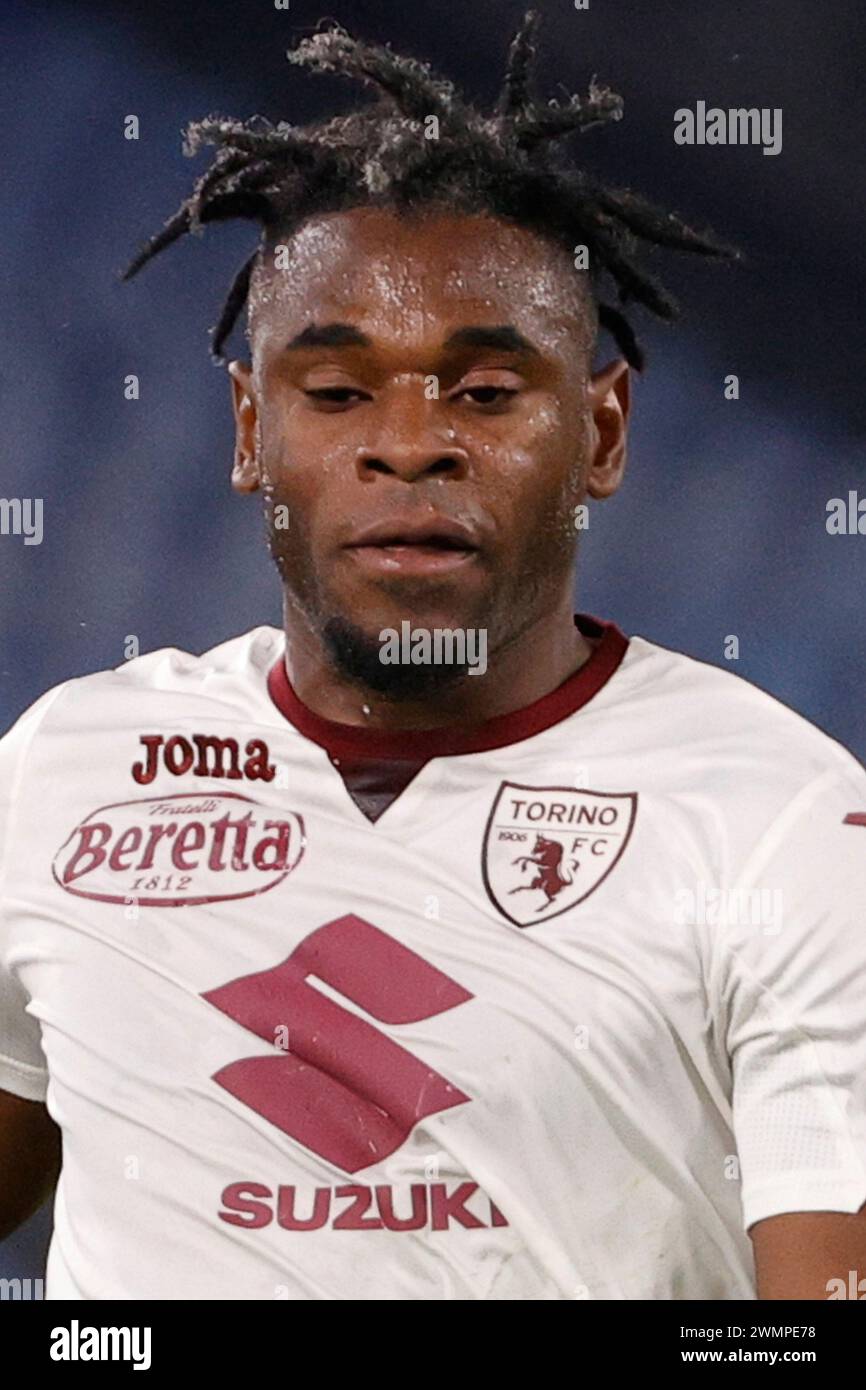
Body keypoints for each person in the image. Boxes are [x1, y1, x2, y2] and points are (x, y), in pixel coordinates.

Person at [1, 12, 864, 1300]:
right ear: (250, 430)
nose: (411, 443)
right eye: (339, 392)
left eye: (487, 392)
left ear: (604, 432)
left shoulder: (777, 816)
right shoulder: (70, 770)